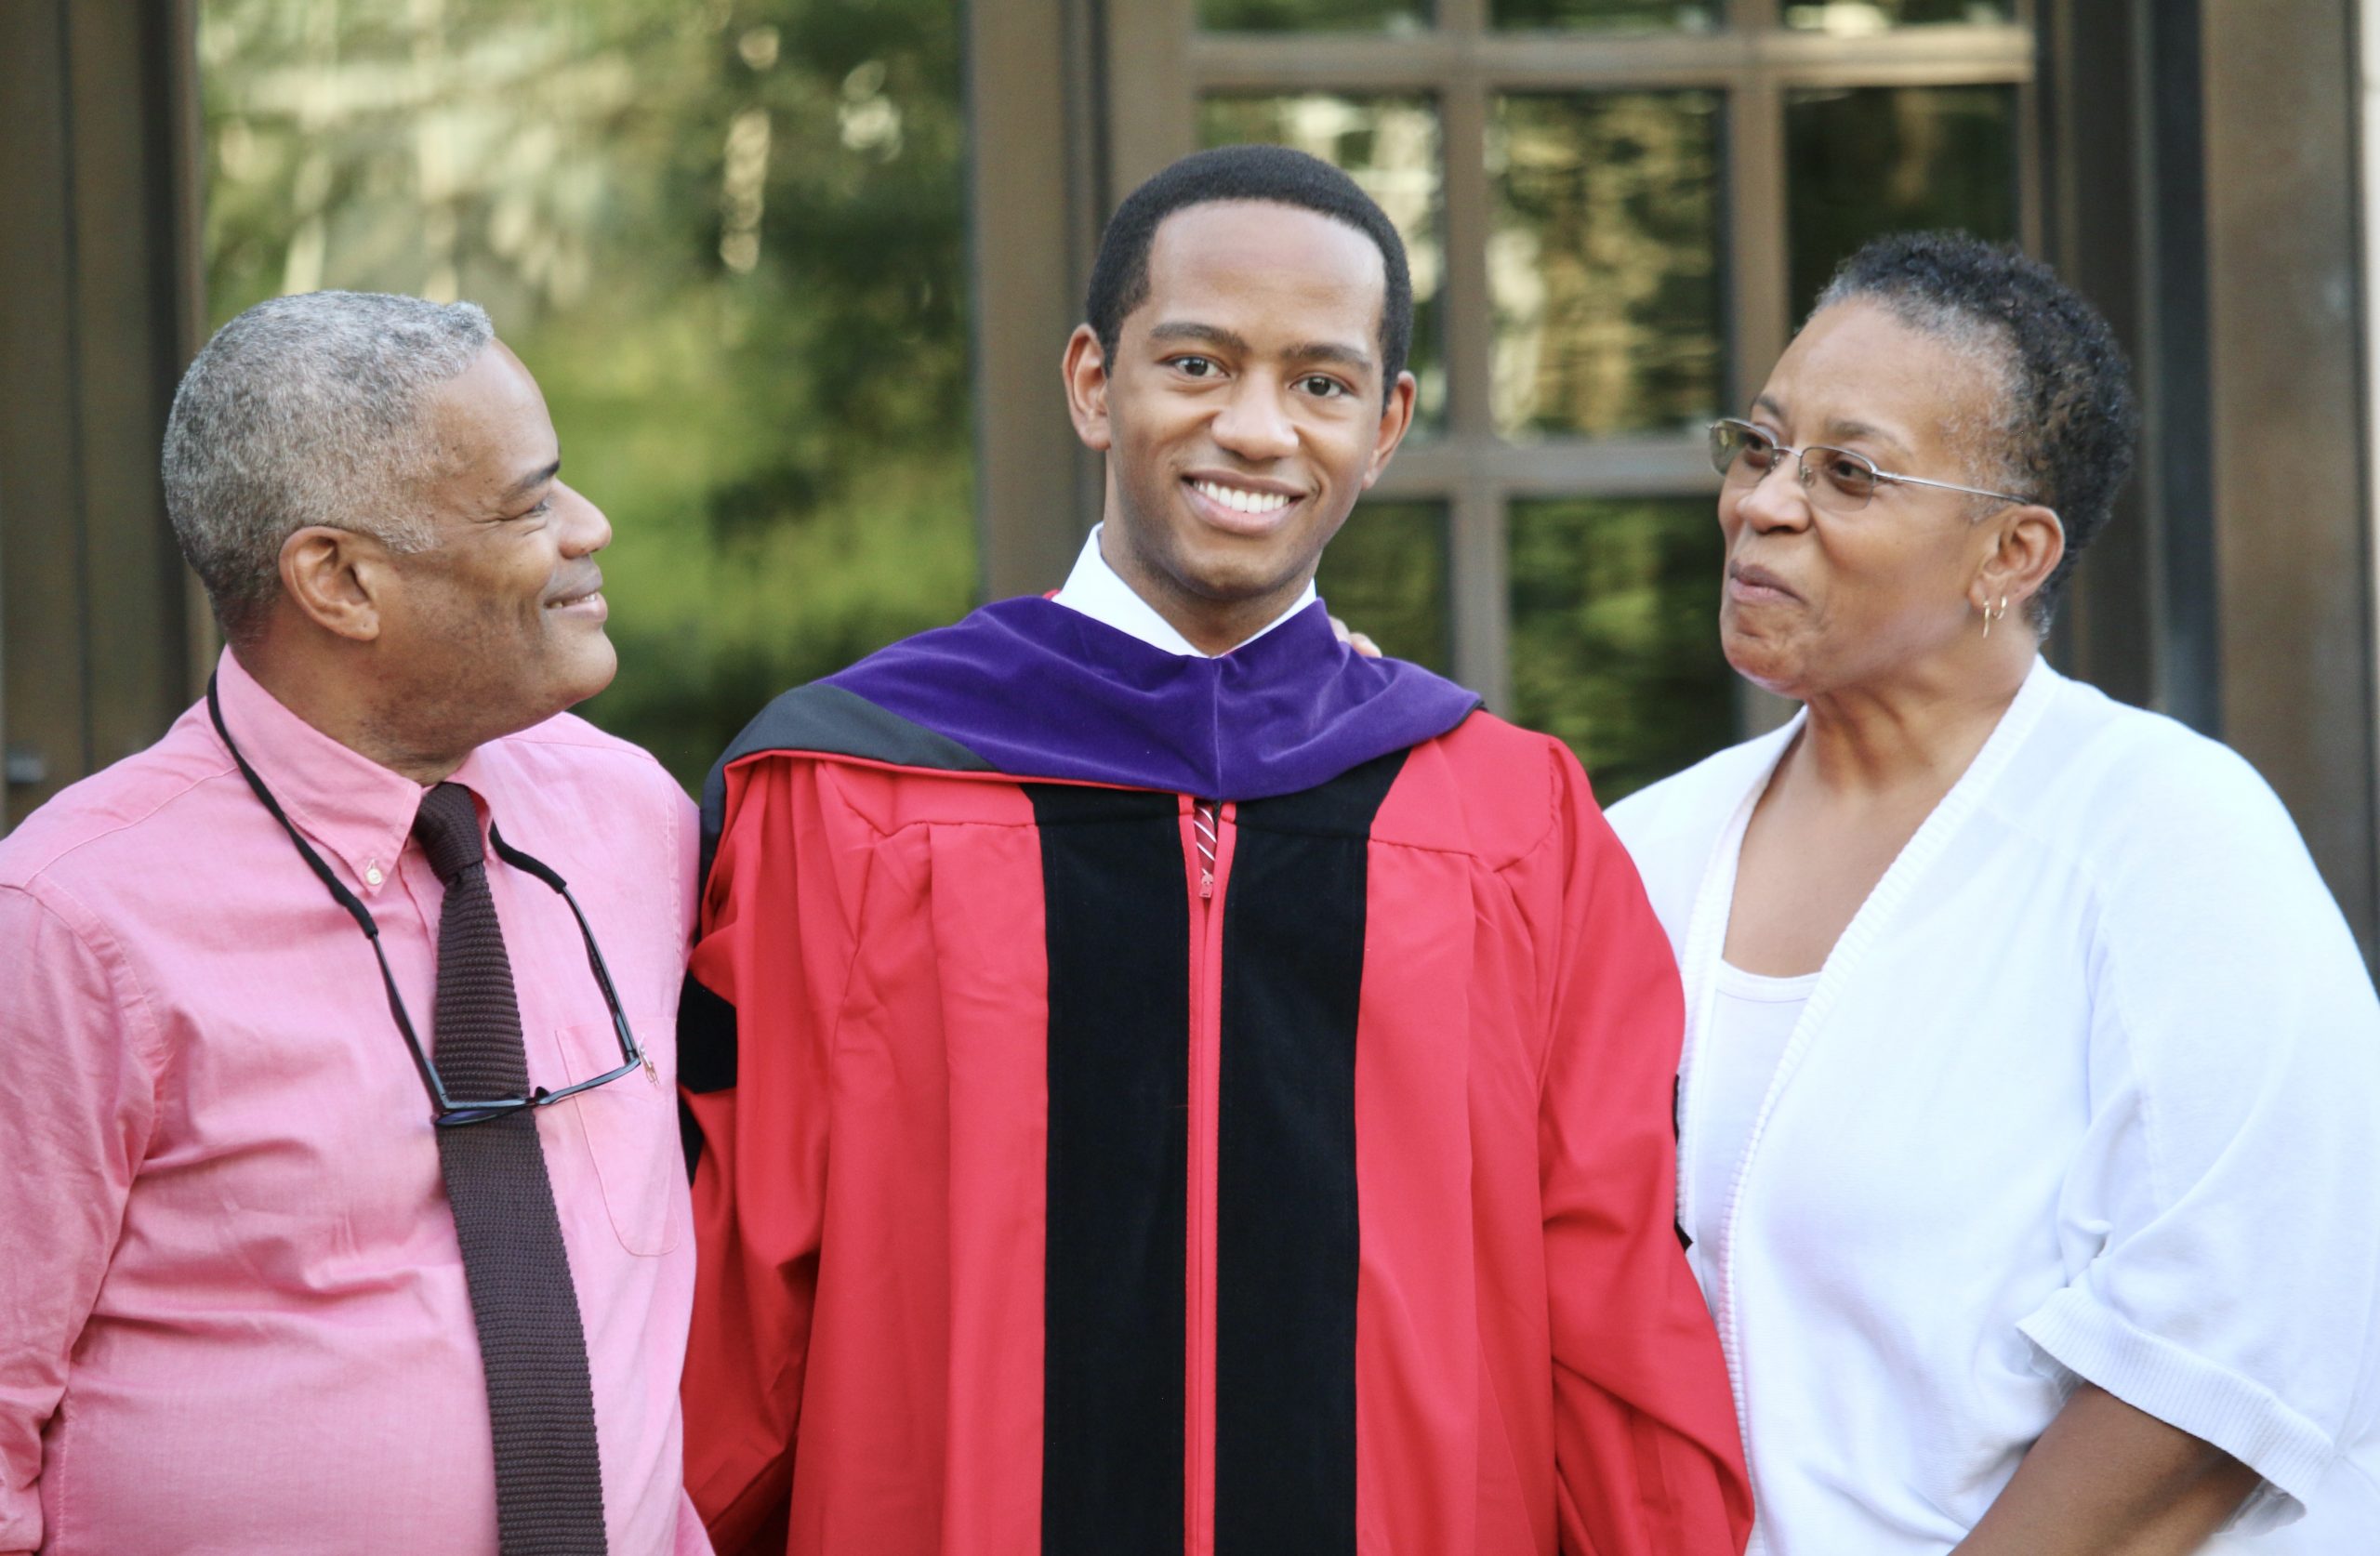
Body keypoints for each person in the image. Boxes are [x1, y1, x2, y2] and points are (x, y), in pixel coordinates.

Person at [676, 144, 1752, 1556]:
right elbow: (741, 1289)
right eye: (1196, 363)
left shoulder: (1510, 822)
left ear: (1388, 423)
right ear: (1091, 382)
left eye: (1321, 381)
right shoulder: (844, 795)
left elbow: (1608, 1293)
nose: (1256, 428)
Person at [1606, 231, 2380, 1555]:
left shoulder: (2167, 839)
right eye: (1759, 443)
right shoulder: (1638, 852)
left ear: (2011, 554)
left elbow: (2226, 1364)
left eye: (1846, 471)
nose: (1763, 503)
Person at [0, 292, 710, 1555]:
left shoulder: (631, 821)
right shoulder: (65, 924)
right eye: (530, 502)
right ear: (337, 578)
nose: (591, 528)